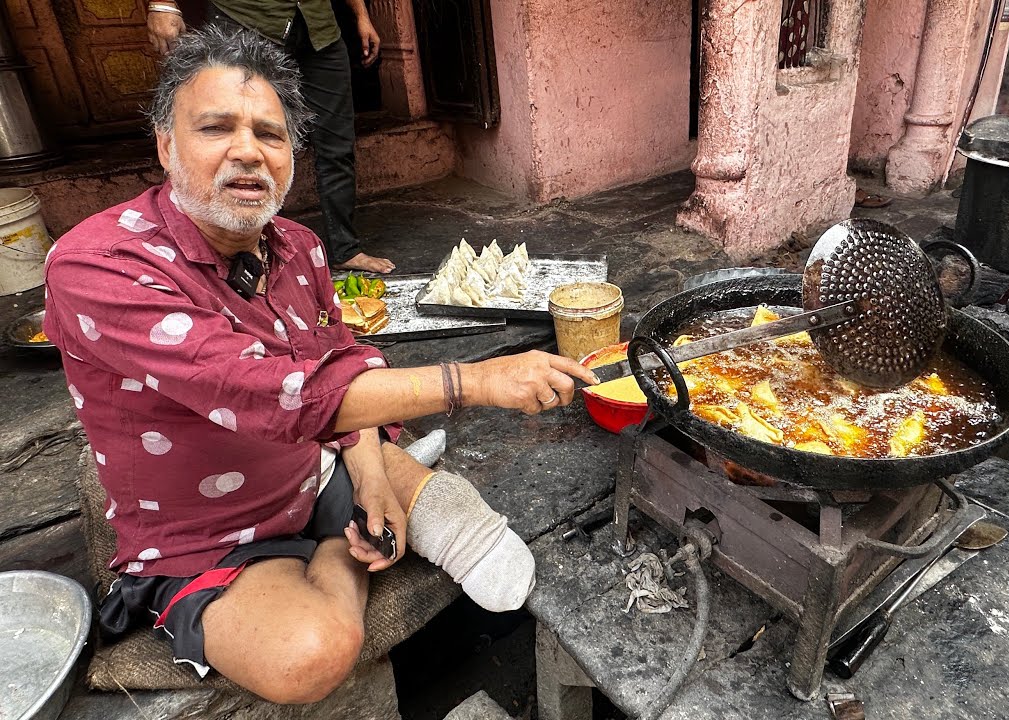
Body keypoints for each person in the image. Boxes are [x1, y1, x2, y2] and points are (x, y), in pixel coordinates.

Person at [43, 26, 597, 704]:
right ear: (165, 144)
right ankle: (349, 534)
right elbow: (264, 392)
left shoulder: (298, 246)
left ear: (291, 155)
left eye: (270, 135)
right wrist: (475, 380)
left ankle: (368, 483)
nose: (247, 151)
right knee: (310, 655)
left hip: (309, 463)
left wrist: (365, 474)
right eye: (216, 127)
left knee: (372, 455)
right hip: (201, 535)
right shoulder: (97, 266)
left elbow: (337, 359)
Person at [146, 0, 396, 274]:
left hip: (318, 27)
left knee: (338, 145)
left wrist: (361, 15)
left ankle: (345, 249)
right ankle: (252, 255)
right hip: (247, 19)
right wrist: (163, 4)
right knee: (239, 143)